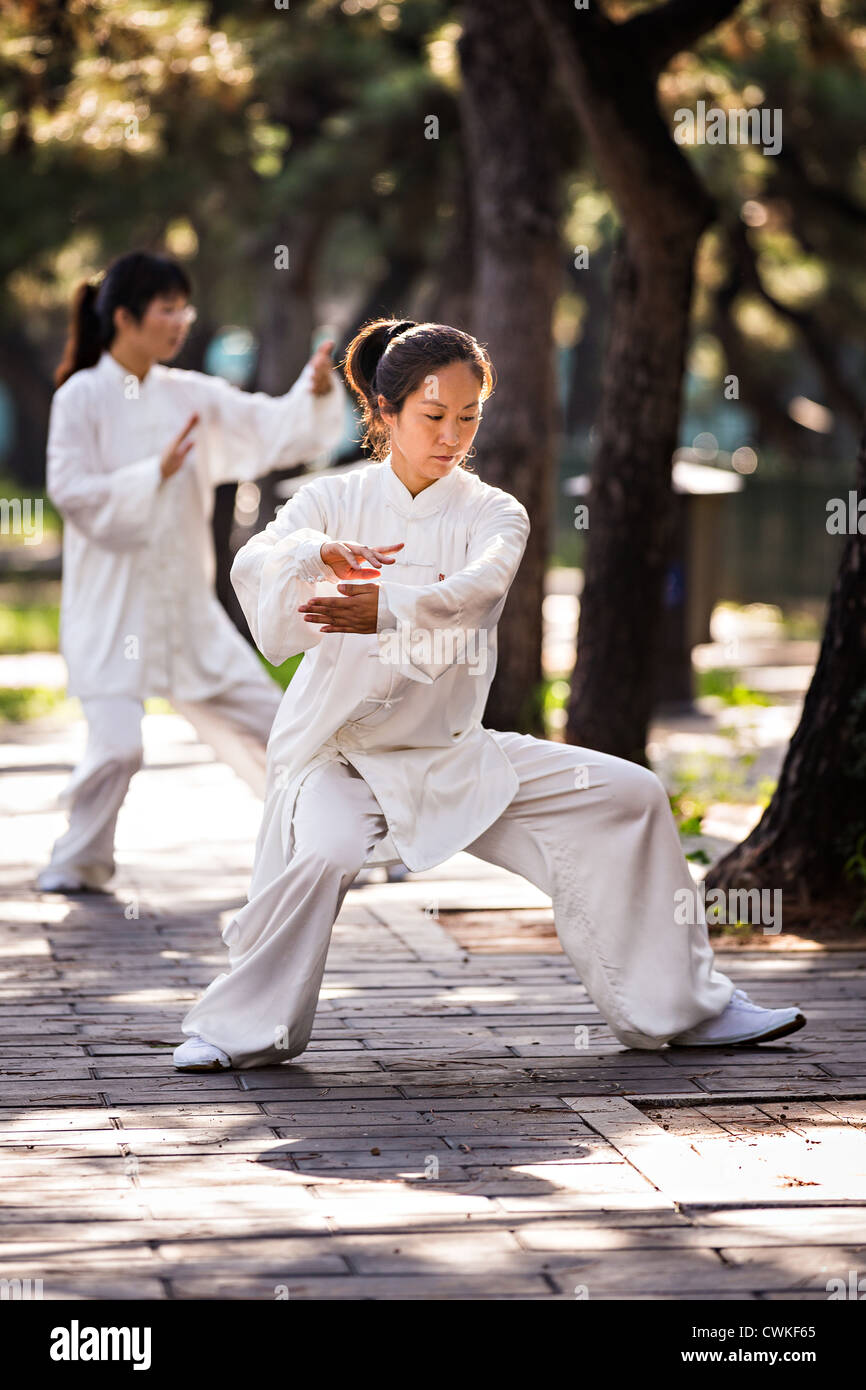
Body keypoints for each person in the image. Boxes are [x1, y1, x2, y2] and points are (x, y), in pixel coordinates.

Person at [174, 318, 806, 1071]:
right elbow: (260, 557)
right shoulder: (329, 501)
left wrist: (381, 605)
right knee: (331, 847)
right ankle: (241, 1027)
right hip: (338, 757)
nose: (452, 436)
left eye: (468, 418)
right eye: (433, 417)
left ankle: (685, 1006)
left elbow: (475, 595)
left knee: (630, 795)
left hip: (452, 755)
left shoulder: (494, 512)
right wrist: (316, 555)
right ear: (383, 412)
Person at [37, 250, 348, 894]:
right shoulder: (81, 396)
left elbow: (270, 427)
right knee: (119, 747)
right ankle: (80, 860)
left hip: (184, 610)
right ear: (124, 317)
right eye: (166, 308)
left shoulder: (189, 395)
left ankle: (334, 838)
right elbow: (71, 492)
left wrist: (311, 393)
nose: (180, 321)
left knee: (279, 720)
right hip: (111, 610)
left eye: (185, 308)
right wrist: (153, 476)